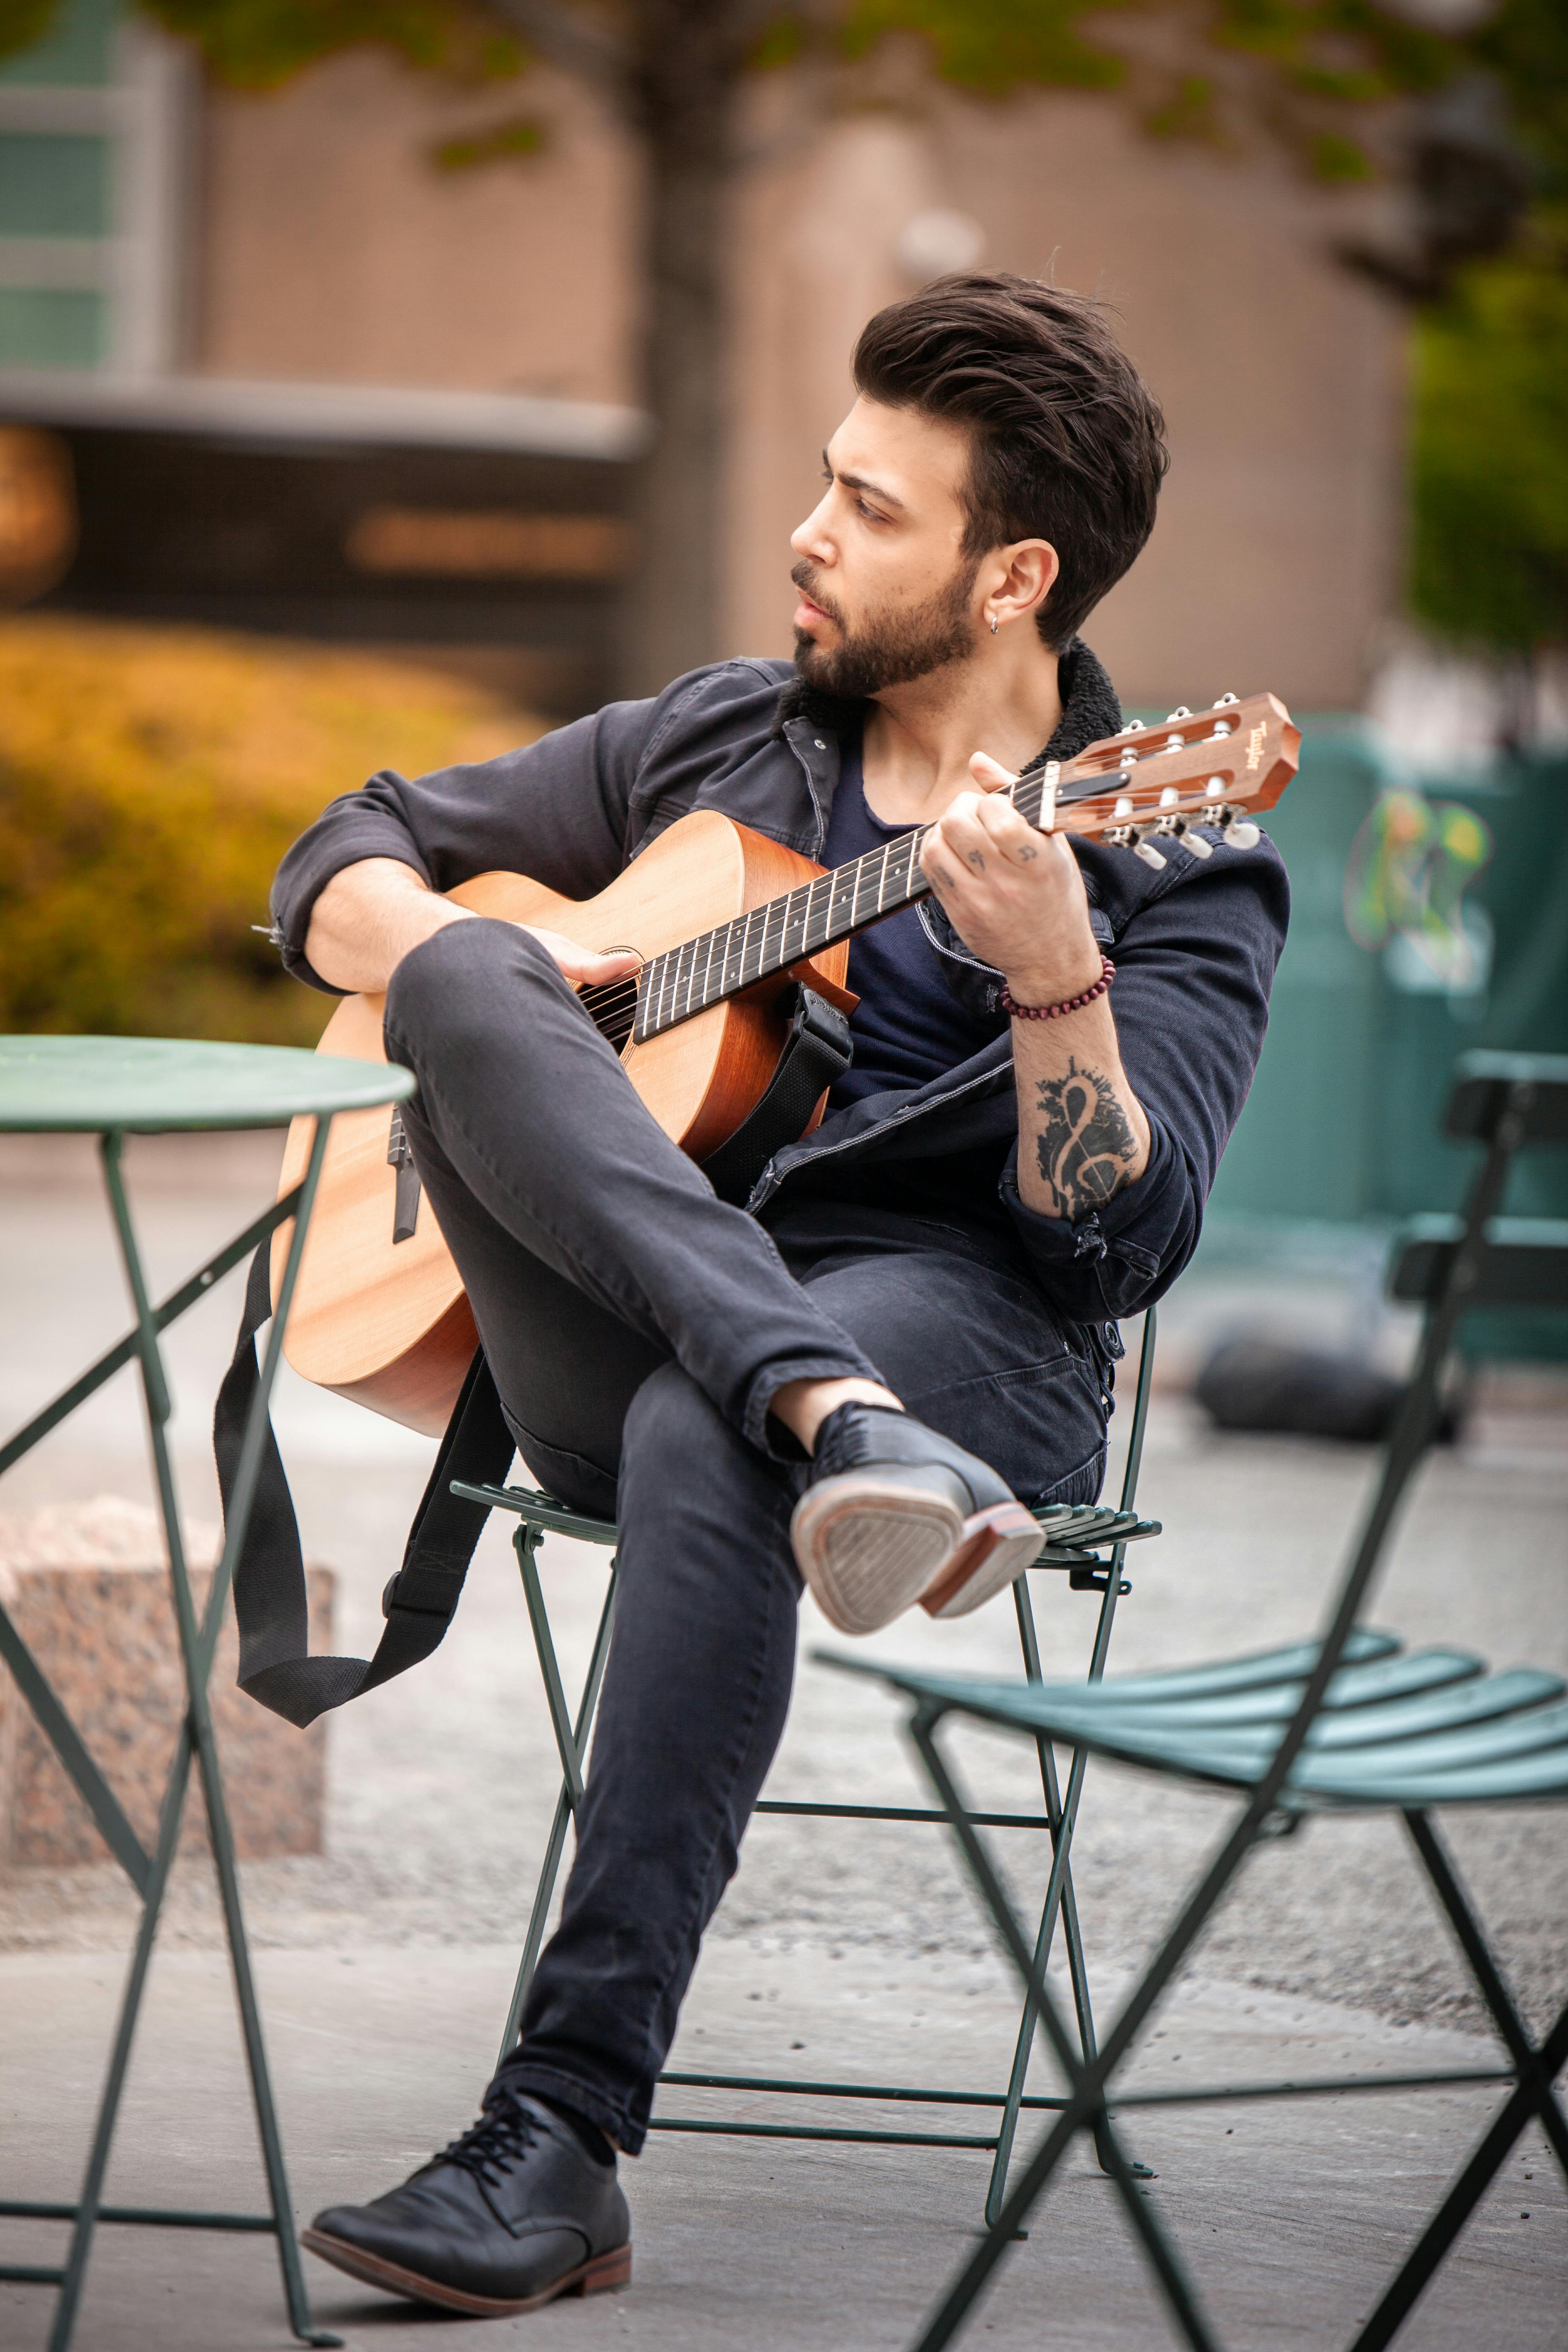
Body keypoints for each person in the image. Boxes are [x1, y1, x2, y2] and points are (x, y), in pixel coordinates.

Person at [269, 273, 1288, 2318]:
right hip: (664, 1329)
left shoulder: (1169, 859)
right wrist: (491, 975)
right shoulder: (725, 737)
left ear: (1014, 577)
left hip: (962, 1332)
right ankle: (825, 1411)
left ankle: (557, 2136)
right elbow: (339, 854)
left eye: (871, 509)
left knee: (702, 1426)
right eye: (827, 482)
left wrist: (1056, 980)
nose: (809, 535)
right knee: (465, 967)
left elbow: (1120, 1244)